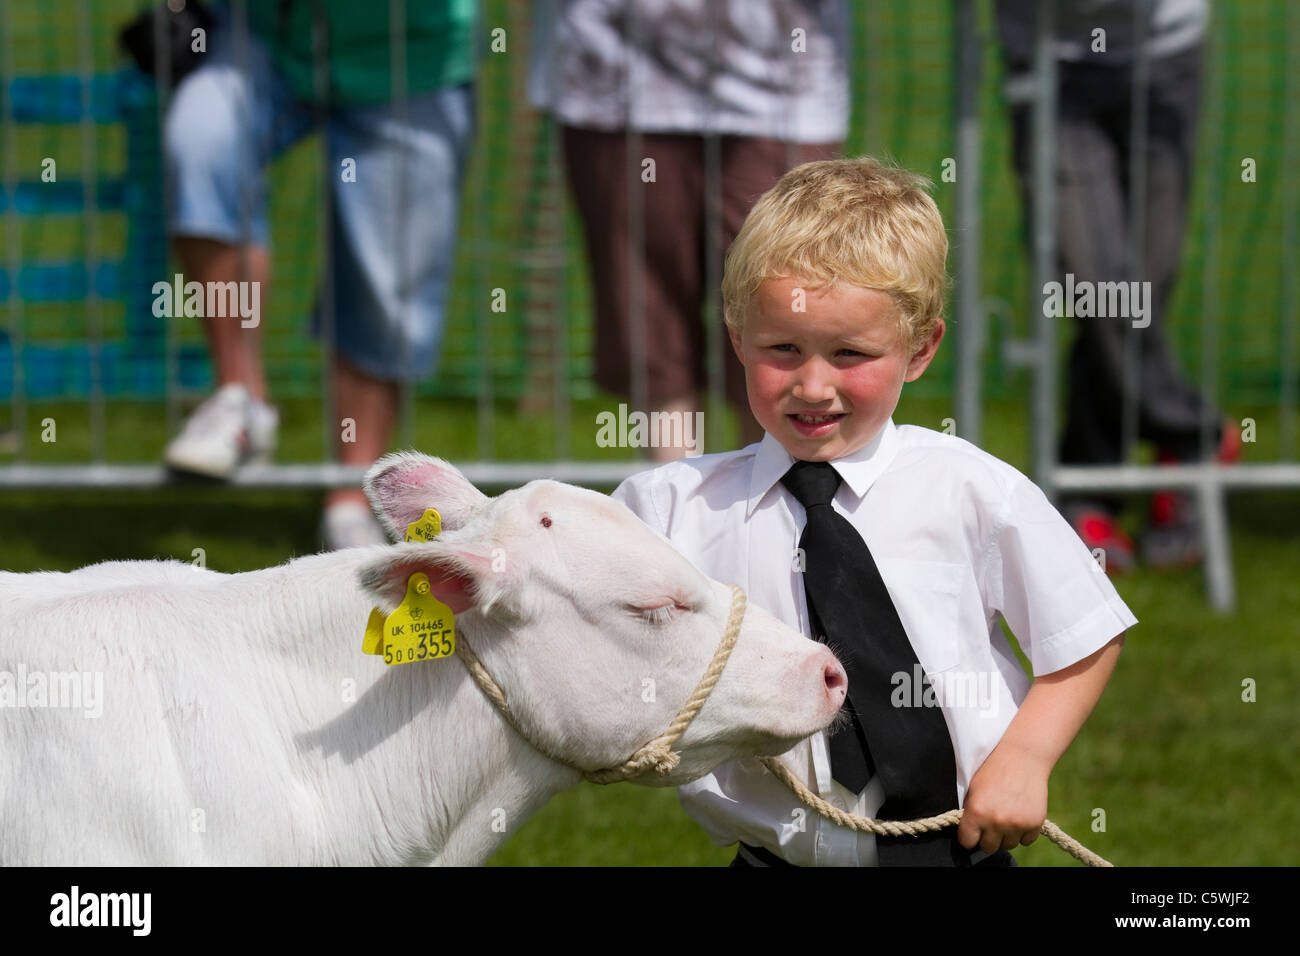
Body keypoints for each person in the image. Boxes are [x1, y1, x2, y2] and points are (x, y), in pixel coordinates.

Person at [613, 157, 1134, 866]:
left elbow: (1085, 636)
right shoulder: (674, 506)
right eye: (782, 349)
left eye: (850, 353)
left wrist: (1025, 761)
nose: (813, 385)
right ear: (737, 337)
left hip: (954, 853)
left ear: (920, 349)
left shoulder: (972, 491)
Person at [160, 0, 475, 548]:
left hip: (411, 53)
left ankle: (350, 499)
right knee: (200, 141)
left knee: (388, 281)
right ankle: (241, 404)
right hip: (265, 33)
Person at [529, 0, 848, 461]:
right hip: (611, 74)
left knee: (785, 310)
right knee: (644, 319)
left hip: (784, 84)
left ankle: (776, 507)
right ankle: (672, 511)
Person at [996, 0, 1239, 570]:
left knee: (1144, 291)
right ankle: (1192, 435)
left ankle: (1087, 482)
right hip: (1048, 56)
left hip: (1166, 54)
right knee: (1099, 287)